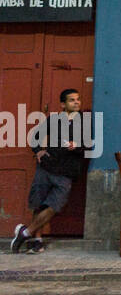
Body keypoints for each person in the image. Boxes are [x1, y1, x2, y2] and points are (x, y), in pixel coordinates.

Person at [11, 89, 87, 254]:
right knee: (39, 203)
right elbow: (35, 137)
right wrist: (38, 150)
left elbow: (87, 146)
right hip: (47, 167)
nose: (76, 102)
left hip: (67, 172)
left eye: (78, 99)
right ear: (63, 105)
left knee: (54, 205)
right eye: (72, 100)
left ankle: (25, 233)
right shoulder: (53, 120)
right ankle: (37, 240)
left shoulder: (84, 123)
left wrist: (77, 146)